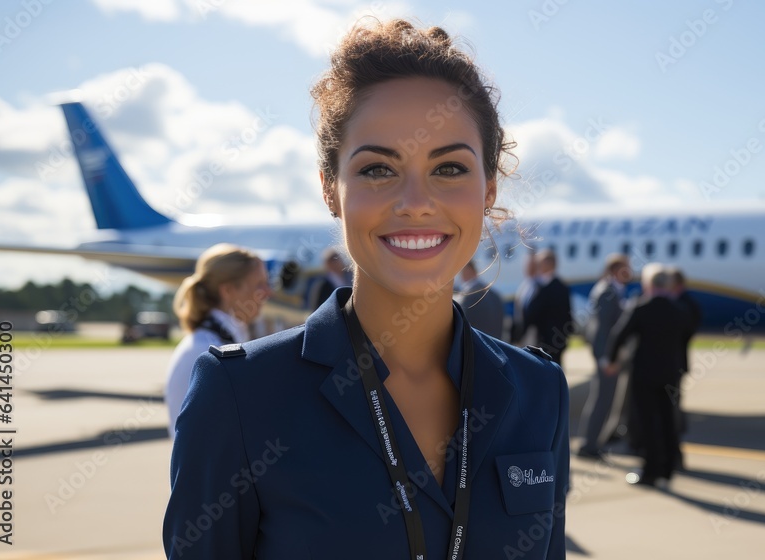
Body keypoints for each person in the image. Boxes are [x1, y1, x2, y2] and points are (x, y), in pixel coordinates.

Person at [163, 19, 569, 559]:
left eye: (449, 167)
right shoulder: (239, 396)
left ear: (488, 189)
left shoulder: (539, 392)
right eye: (378, 169)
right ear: (331, 188)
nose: (415, 201)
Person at [164, 243, 271, 437]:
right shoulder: (207, 351)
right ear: (228, 290)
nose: (267, 292)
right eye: (259, 284)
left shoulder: (215, 341)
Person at [605, 265, 688, 489]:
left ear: (648, 285)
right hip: (671, 373)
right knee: (668, 421)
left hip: (645, 374)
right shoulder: (679, 310)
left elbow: (618, 334)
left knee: (647, 423)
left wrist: (611, 360)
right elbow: (684, 340)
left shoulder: (641, 308)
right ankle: (668, 470)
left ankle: (651, 472)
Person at [577, 254, 631, 458]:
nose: (629, 273)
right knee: (601, 401)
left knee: (605, 401)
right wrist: (604, 359)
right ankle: (588, 445)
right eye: (625, 268)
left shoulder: (614, 290)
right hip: (607, 358)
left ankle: (593, 443)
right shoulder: (607, 291)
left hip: (611, 357)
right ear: (615, 270)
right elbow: (600, 329)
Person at [670, 268, 701, 470]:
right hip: (675, 364)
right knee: (672, 410)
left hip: (671, 366)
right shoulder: (684, 303)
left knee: (670, 412)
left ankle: (674, 457)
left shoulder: (681, 305)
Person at [521, 248, 573, 365]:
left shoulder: (558, 288)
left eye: (540, 263)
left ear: (550, 264)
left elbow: (567, 317)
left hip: (551, 344)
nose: (537, 266)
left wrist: (560, 340)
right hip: (539, 341)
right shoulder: (537, 284)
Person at [454, 259, 505, 340]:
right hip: (496, 346)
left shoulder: (467, 298)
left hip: (476, 347)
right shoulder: (495, 295)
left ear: (466, 270)